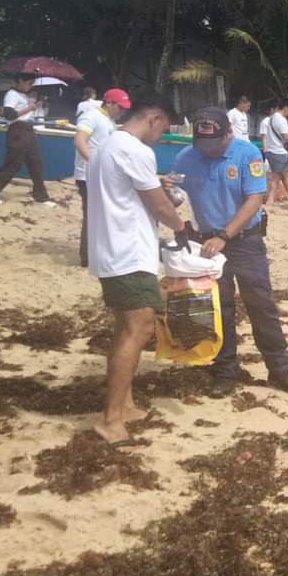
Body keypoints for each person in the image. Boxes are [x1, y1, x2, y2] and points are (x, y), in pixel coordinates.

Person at [171, 107, 288, 396]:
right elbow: (177, 197)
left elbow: (254, 198)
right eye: (202, 145)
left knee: (261, 305)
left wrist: (224, 234)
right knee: (219, 310)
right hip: (205, 244)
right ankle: (225, 371)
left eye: (214, 144)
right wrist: (170, 204)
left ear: (228, 133)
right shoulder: (185, 158)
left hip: (245, 242)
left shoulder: (248, 154)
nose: (208, 151)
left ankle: (279, 370)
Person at [87, 95, 185, 446]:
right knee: (139, 328)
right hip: (128, 253)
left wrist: (157, 182)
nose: (161, 137)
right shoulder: (136, 149)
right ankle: (110, 420)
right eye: (164, 129)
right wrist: (182, 226)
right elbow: (159, 204)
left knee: (125, 327)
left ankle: (125, 404)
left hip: (109, 251)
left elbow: (129, 188)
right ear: (155, 118)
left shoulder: (105, 145)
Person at [0, 74, 56, 207]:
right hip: (17, 130)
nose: (31, 86)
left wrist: (37, 104)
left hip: (28, 130)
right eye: (29, 83)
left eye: (32, 83)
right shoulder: (11, 94)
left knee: (36, 164)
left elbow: (28, 112)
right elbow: (9, 115)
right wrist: (29, 108)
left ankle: (41, 196)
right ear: (20, 80)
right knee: (12, 164)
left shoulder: (27, 95)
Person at [73, 88, 131, 267]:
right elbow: (79, 140)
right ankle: (88, 257)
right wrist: (94, 163)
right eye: (120, 107)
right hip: (88, 175)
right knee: (92, 214)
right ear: (109, 103)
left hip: (101, 174)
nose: (122, 111)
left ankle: (98, 252)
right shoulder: (92, 116)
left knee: (102, 214)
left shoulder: (109, 121)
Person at [262, 99, 288, 208]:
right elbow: (286, 138)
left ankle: (270, 201)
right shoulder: (281, 119)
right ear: (285, 107)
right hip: (279, 152)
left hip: (271, 151)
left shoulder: (271, 118)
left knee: (276, 177)